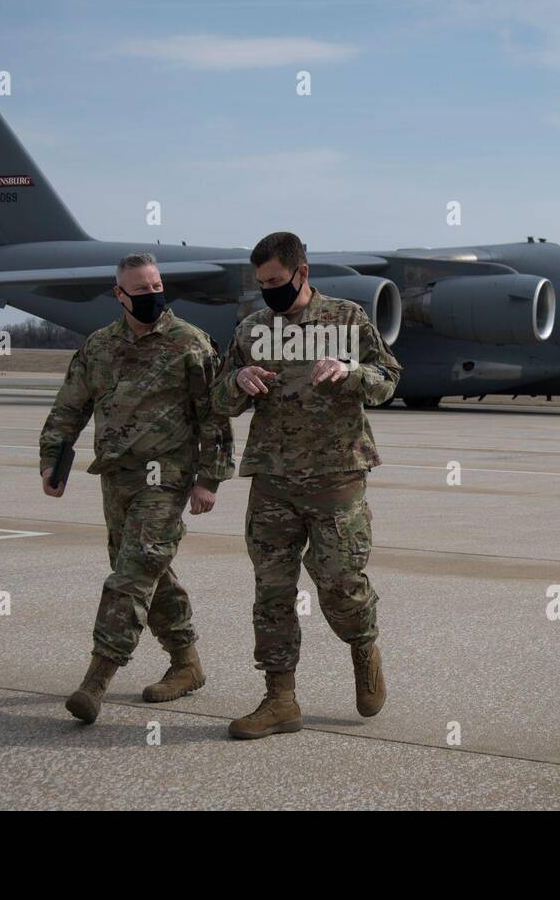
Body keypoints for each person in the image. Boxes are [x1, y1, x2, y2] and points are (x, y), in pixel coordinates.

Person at [212, 231, 402, 739]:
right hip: (272, 480)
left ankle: (364, 647)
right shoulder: (252, 329)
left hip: (336, 478)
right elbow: (220, 397)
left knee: (340, 587)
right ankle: (280, 700)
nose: (268, 290)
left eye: (276, 280)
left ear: (302, 272)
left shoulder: (346, 319)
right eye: (261, 283)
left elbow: (388, 379)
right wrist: (238, 382)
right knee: (271, 591)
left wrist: (351, 370)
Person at [39, 253, 234, 724]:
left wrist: (209, 479)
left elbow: (214, 416)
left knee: (133, 573)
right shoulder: (100, 346)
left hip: (165, 478)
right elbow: (70, 406)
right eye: (140, 290)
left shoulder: (190, 344)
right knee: (148, 569)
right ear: (119, 295)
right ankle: (187, 663)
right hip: (116, 477)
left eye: (156, 287)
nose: (151, 296)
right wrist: (53, 459)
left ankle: (96, 679)